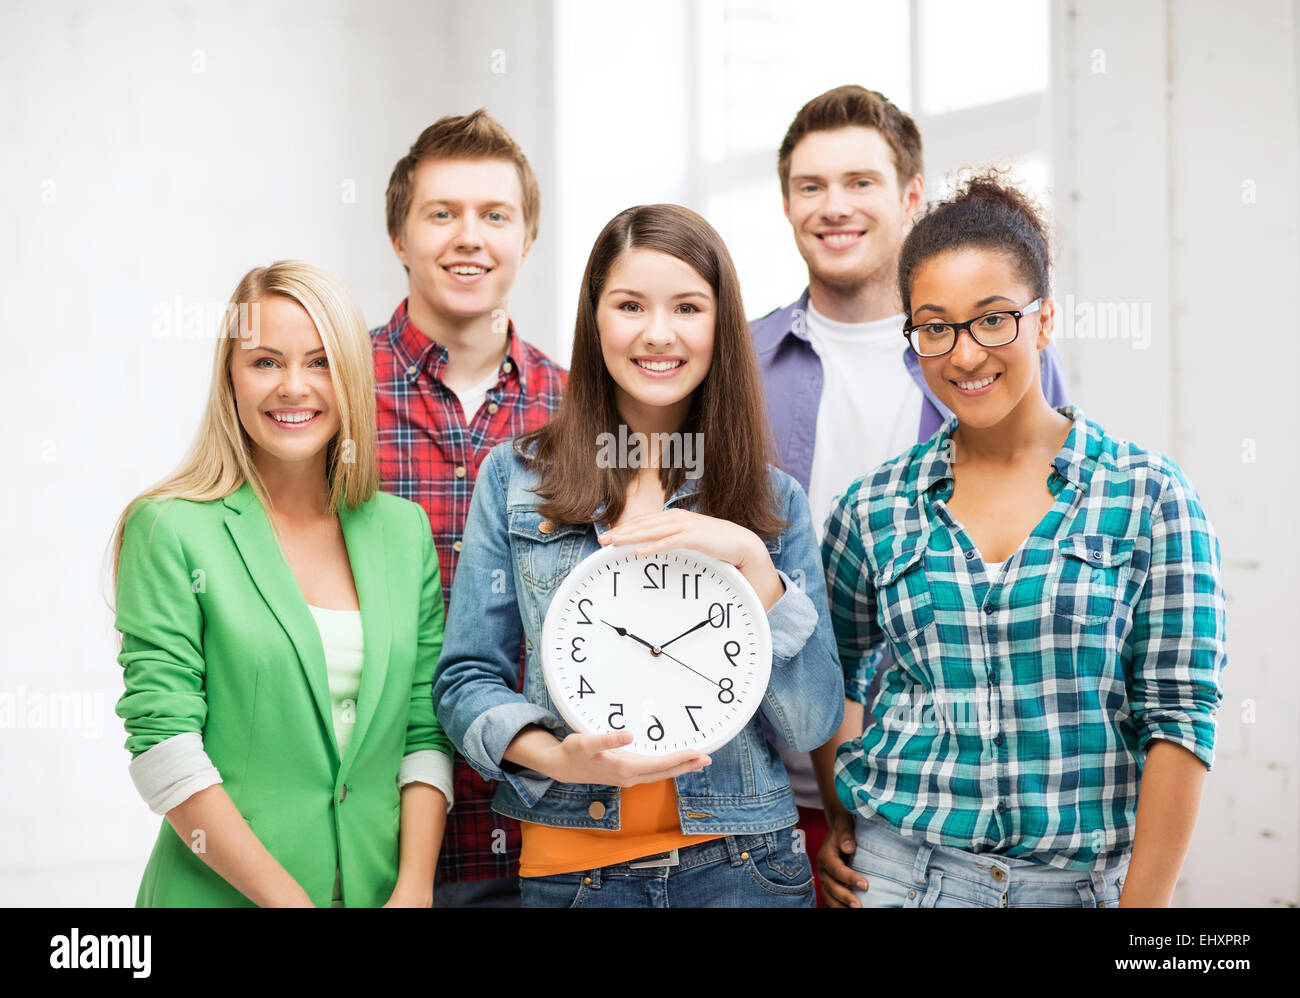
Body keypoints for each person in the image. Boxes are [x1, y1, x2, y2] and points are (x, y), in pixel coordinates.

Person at [815, 172, 1227, 907]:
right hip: (900, 877)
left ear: (1044, 322)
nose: (965, 354)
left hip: (1080, 888)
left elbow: (1180, 720)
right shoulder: (873, 507)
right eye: (935, 326)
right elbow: (832, 674)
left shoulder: (1150, 496)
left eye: (994, 319)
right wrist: (841, 813)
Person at [433, 204, 845, 908]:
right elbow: (466, 680)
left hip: (745, 868)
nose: (658, 334)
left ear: (721, 323)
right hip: (574, 875)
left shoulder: (771, 500)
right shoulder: (516, 478)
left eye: (688, 307)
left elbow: (813, 722)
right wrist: (553, 756)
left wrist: (752, 560)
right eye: (630, 305)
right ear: (595, 319)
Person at [750, 85, 1073, 903]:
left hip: (946, 794)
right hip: (763, 784)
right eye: (810, 186)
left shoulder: (992, 357)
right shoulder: (739, 362)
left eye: (861, 181)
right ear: (787, 203)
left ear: (911, 197)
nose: (834, 207)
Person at [111, 261, 452, 907]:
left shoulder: (403, 533)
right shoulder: (170, 529)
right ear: (230, 378)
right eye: (266, 362)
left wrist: (412, 888)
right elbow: (165, 746)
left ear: (351, 377)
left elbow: (423, 733)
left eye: (320, 362)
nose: (293, 387)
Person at [371, 109, 567, 907]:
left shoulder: (580, 412)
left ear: (526, 240)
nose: (469, 237)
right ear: (400, 236)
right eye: (441, 213)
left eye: (495, 215)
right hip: (373, 826)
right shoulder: (332, 397)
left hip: (543, 829)